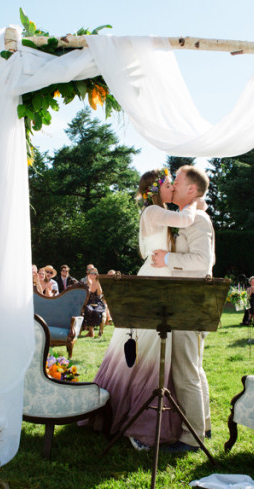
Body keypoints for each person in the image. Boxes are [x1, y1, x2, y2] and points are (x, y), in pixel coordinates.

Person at [93, 167, 203, 451]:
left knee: (159, 353)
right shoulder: (152, 212)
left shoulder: (161, 212)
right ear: (157, 189)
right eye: (169, 183)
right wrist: (196, 203)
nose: (173, 186)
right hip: (157, 278)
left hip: (165, 276)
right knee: (147, 352)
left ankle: (178, 422)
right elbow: (186, 217)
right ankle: (140, 417)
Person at [151, 165, 214, 453]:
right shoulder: (190, 218)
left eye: (176, 181)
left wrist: (168, 259)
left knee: (185, 370)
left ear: (191, 189)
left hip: (190, 302)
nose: (172, 185)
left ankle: (190, 439)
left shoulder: (199, 220)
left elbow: (202, 262)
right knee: (194, 367)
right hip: (189, 301)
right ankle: (204, 427)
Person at [82, 268, 105, 337]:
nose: (93, 275)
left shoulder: (98, 282)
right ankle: (91, 332)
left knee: (96, 311)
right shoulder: (85, 282)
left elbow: (99, 293)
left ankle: (98, 332)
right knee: (89, 310)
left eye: (95, 273)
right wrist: (89, 283)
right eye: (92, 273)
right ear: (89, 274)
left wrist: (97, 282)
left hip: (97, 302)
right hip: (88, 302)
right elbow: (86, 294)